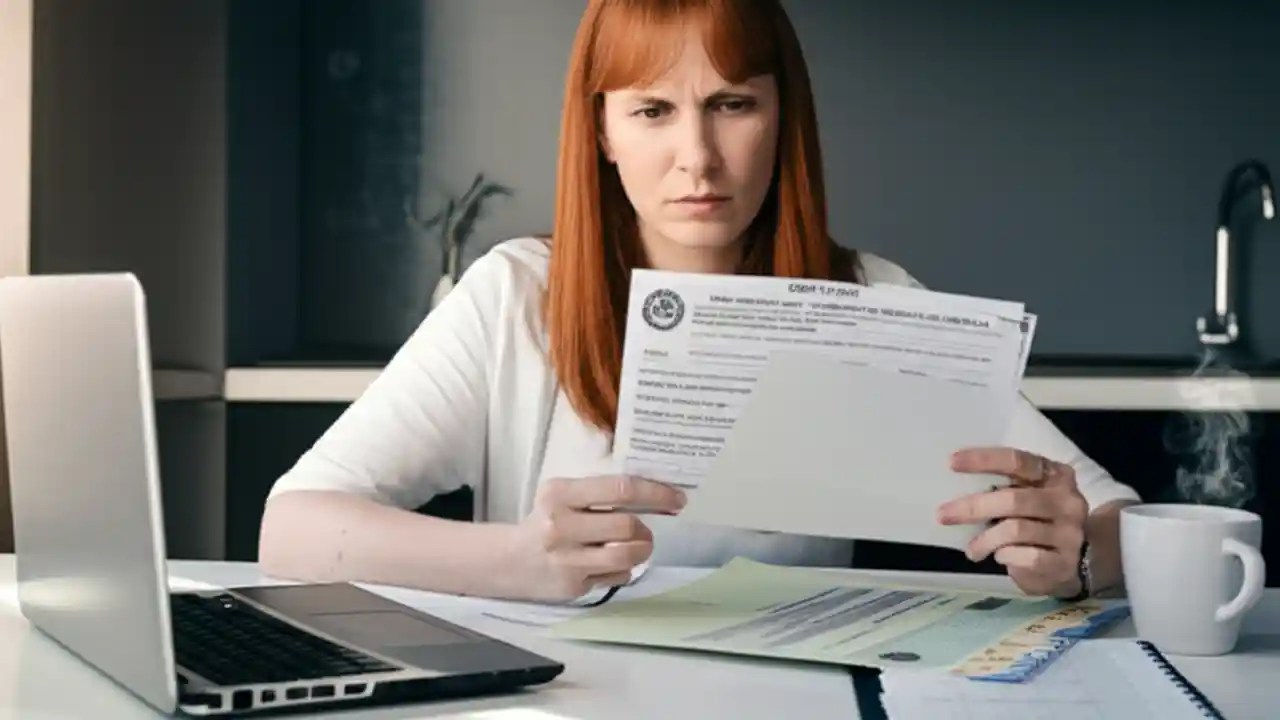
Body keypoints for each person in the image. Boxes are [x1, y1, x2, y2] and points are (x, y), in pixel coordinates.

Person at [258, 0, 1140, 604]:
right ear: (601, 130)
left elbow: (1119, 520)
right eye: (651, 112)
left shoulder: (870, 301)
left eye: (731, 104)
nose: (699, 158)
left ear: (781, 117)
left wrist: (1077, 557)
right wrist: (515, 560)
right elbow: (291, 530)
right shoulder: (516, 296)